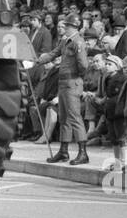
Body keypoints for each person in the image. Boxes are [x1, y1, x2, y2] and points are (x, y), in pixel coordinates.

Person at [33, 15, 89, 164]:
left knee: (74, 117)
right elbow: (53, 54)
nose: (64, 28)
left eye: (67, 26)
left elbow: (83, 65)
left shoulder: (78, 42)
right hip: (63, 83)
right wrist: (37, 61)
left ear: (73, 27)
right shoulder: (65, 41)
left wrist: (77, 77)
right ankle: (63, 152)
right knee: (64, 117)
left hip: (72, 82)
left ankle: (83, 152)